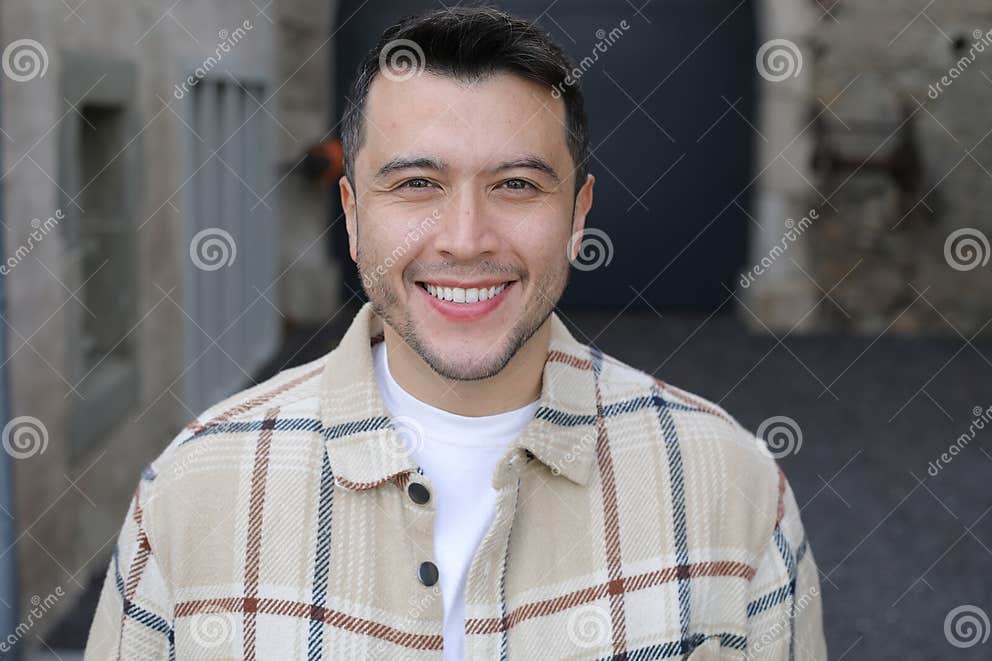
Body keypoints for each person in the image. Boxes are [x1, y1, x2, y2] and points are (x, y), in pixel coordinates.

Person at [84, 6, 827, 659]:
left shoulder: (733, 491)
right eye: (417, 184)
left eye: (516, 185)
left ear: (576, 216)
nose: (466, 239)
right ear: (350, 212)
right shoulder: (193, 491)